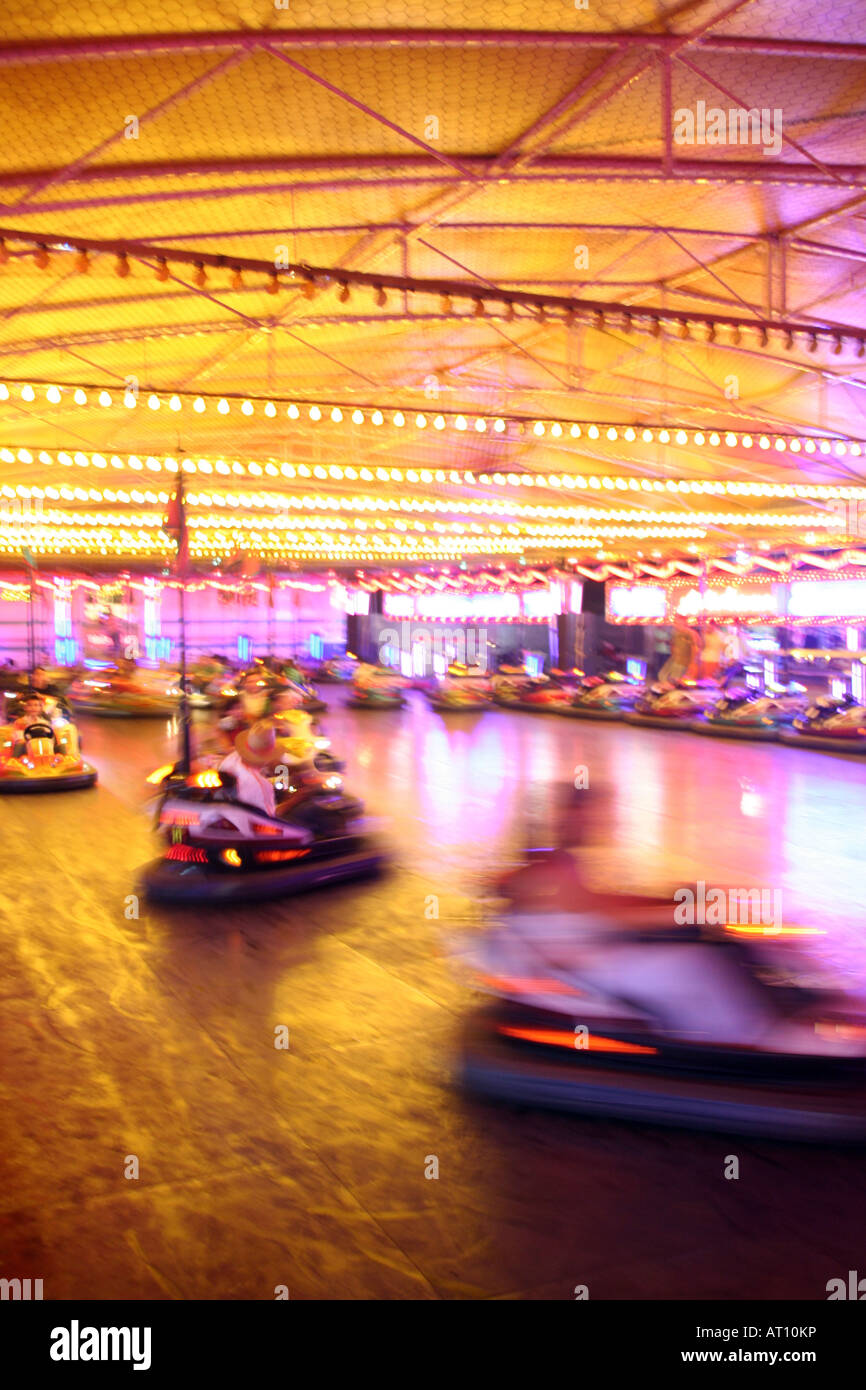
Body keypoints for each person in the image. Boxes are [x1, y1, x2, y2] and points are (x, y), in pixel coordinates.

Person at [218, 721, 277, 817]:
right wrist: (295, 799)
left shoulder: (231, 758)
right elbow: (270, 820)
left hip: (229, 814)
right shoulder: (261, 785)